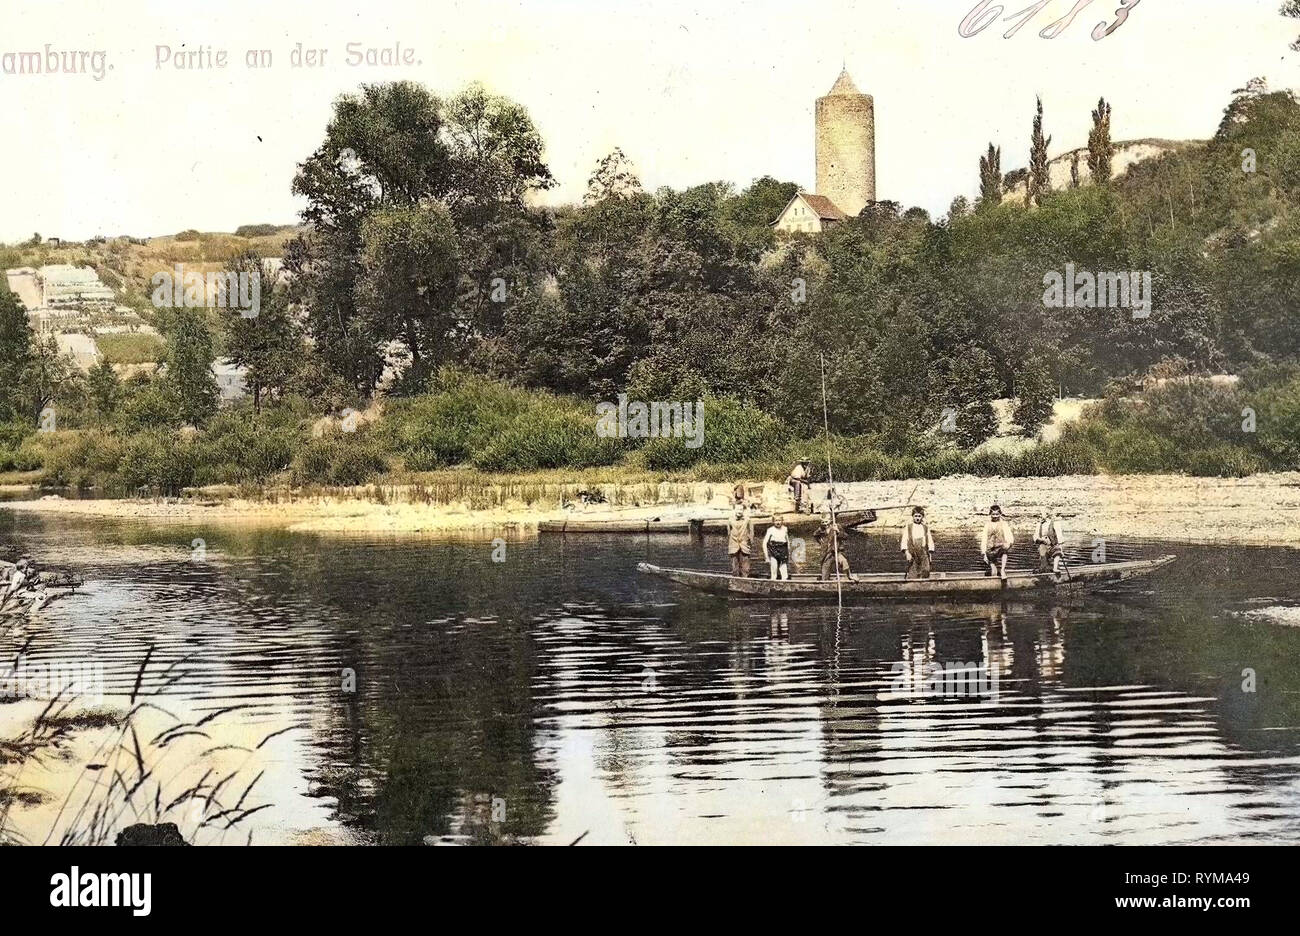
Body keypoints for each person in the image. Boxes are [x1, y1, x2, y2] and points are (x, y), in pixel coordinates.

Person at [815, 512, 857, 582]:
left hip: (837, 551)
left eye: (826, 522)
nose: (825, 524)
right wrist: (821, 542)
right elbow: (815, 535)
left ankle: (850, 576)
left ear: (830, 520)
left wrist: (837, 531)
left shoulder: (836, 526)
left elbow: (845, 537)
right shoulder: (821, 529)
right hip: (828, 553)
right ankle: (825, 579)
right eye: (823, 522)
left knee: (844, 562)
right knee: (825, 574)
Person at [979, 505, 1015, 580]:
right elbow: (984, 539)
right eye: (993, 514)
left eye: (997, 514)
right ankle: (996, 570)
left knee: (1005, 548)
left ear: (1000, 514)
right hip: (990, 550)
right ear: (990, 514)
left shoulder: (1004, 524)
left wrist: (1009, 543)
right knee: (994, 573)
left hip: (1000, 548)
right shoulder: (987, 525)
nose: (995, 516)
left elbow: (1009, 536)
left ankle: (1002, 570)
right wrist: (984, 554)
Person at [900, 506, 936, 579]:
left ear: (922, 517)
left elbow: (930, 541)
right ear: (912, 516)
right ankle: (912, 583)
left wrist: (930, 555)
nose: (917, 518)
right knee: (913, 573)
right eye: (915, 516)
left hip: (924, 553)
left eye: (919, 516)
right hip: (913, 554)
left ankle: (924, 584)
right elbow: (904, 541)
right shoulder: (909, 527)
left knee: (925, 570)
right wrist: (907, 553)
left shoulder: (925, 527)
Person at [727, 507, 754, 578]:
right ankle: (735, 578)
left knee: (745, 566)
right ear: (734, 510)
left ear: (743, 511)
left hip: (744, 544)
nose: (739, 511)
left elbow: (751, 532)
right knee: (734, 566)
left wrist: (749, 541)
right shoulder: (730, 520)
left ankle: (745, 579)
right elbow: (729, 532)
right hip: (734, 544)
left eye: (741, 509)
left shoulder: (747, 520)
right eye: (738, 509)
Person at [1034, 510, 1065, 574]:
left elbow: (1059, 535)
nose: (1040, 515)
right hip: (1043, 544)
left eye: (1042, 514)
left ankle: (1055, 568)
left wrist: (1060, 546)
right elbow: (1035, 537)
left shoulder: (1055, 523)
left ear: (1047, 515)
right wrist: (1040, 540)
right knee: (1043, 563)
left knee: (1057, 552)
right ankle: (1044, 568)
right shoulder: (1039, 524)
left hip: (1053, 544)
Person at [763, 516, 792, 580]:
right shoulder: (770, 530)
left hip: (783, 550)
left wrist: (789, 552)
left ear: (782, 521)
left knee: (783, 568)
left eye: (779, 520)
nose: (778, 522)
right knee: (774, 567)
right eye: (776, 520)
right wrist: (766, 556)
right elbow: (765, 543)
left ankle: (784, 581)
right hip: (773, 550)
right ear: (773, 521)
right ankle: (773, 580)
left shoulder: (785, 529)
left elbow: (787, 541)